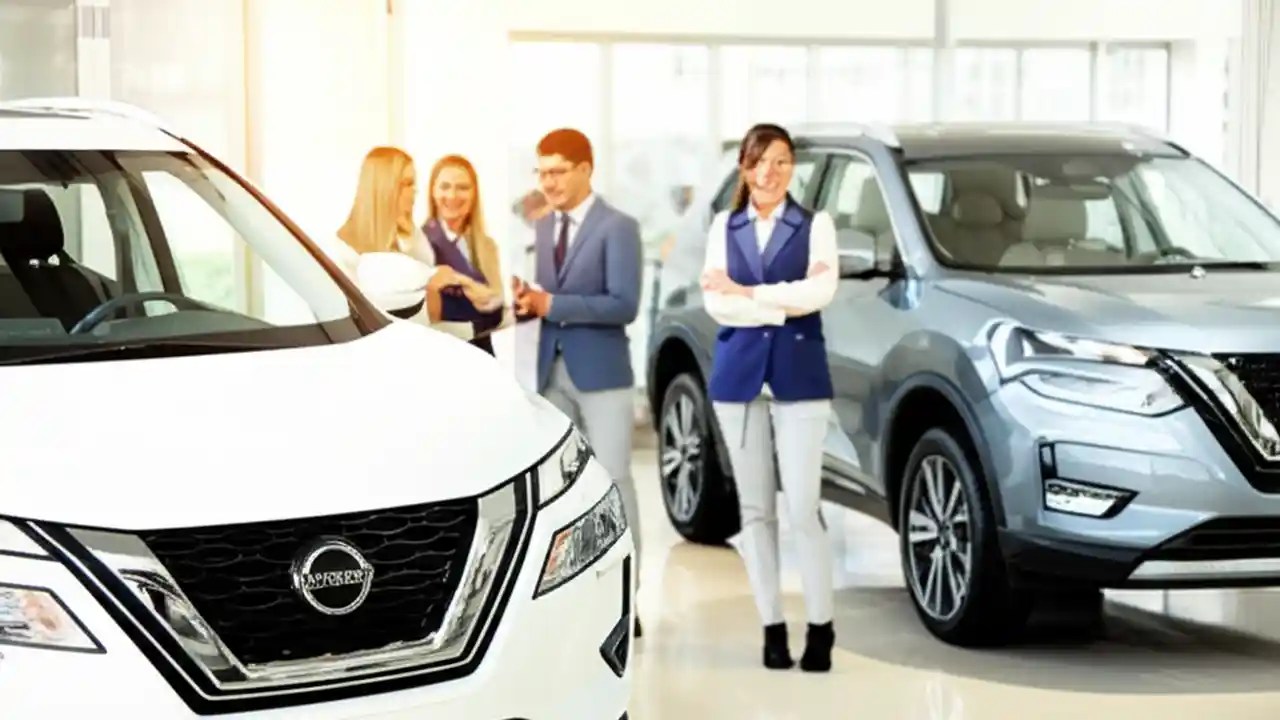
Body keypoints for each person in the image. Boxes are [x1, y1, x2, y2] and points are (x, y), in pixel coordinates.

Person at [700, 123, 839, 672]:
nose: (769, 172)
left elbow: (822, 292)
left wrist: (749, 292)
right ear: (744, 167)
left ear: (791, 167)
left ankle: (822, 628)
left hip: (800, 378)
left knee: (803, 507)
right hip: (738, 381)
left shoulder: (815, 225)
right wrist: (784, 301)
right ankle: (772, 628)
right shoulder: (723, 225)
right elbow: (717, 306)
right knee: (756, 511)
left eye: (780, 161)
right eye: (760, 162)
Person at [512, 128, 644, 635]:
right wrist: (531, 301)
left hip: (603, 374)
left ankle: (627, 602)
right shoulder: (542, 230)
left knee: (614, 482)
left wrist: (552, 305)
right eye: (541, 172)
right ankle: (573, 602)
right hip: (551, 373)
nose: (548, 182)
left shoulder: (619, 227)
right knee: (564, 495)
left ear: (586, 169)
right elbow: (549, 297)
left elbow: (623, 304)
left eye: (557, 171)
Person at [320, 146, 477, 340]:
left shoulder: (413, 240)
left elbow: (435, 314)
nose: (415, 192)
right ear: (385, 188)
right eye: (408, 184)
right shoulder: (339, 256)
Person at [421, 154, 507, 355]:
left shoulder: (486, 246)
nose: (452, 196)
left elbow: (499, 312)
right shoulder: (421, 245)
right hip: (444, 359)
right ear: (432, 192)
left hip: (483, 358)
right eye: (445, 186)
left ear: (474, 194)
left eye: (462, 187)